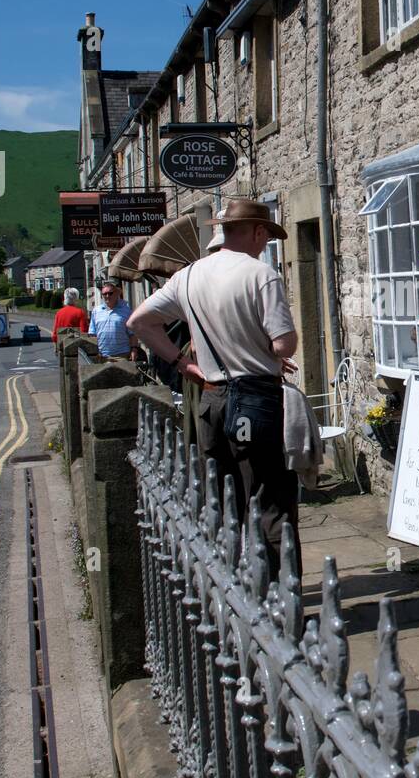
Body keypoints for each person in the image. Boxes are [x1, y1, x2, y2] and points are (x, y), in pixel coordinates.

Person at [128, 198, 300, 575]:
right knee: (270, 498)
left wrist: (182, 363)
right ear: (257, 231)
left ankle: (232, 581)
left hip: (211, 398)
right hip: (255, 397)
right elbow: (283, 344)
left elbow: (140, 322)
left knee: (225, 496)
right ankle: (278, 598)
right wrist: (270, 348)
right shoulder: (261, 274)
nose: (265, 242)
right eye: (266, 235)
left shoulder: (188, 276)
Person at [89, 277, 139, 360]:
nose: (107, 296)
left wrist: (134, 349)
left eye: (110, 293)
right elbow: (92, 334)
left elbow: (132, 334)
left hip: (122, 355)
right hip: (102, 356)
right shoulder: (96, 311)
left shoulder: (126, 311)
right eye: (104, 294)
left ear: (116, 294)